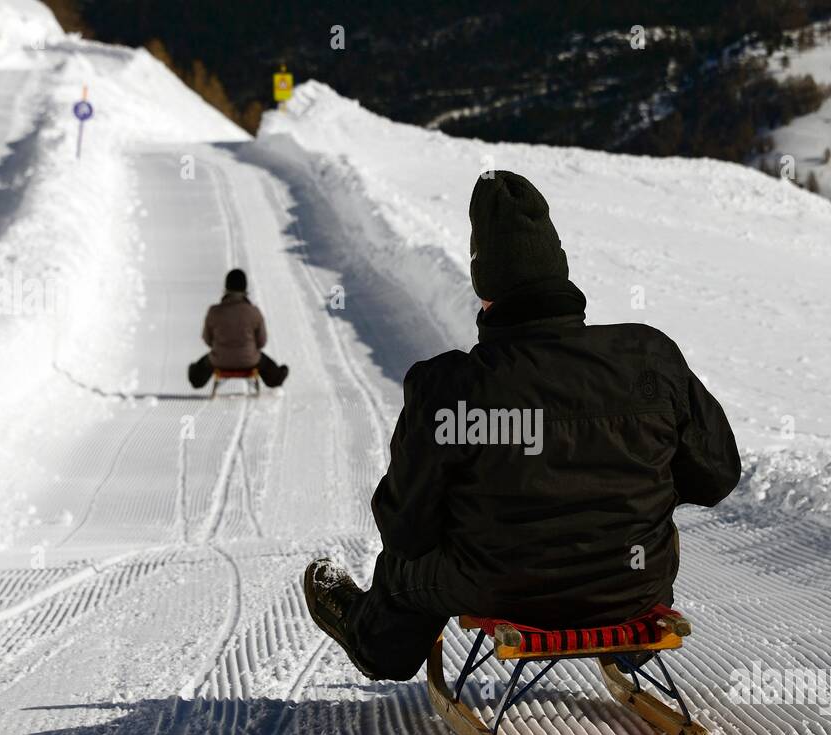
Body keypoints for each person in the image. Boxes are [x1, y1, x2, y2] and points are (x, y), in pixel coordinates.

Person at [303, 171, 740, 680]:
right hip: (634, 583)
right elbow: (718, 475)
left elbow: (405, 530)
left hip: (502, 589)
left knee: (402, 571)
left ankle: (379, 645)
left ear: (485, 287)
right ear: (560, 273)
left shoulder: (448, 387)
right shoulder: (651, 356)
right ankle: (623, 637)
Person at [188, 269, 289, 390]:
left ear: (226, 287)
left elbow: (207, 339)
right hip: (249, 361)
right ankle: (277, 377)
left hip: (219, 360)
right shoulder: (254, 312)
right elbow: (262, 342)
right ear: (245, 288)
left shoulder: (214, 311)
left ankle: (195, 377)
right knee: (265, 363)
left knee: (202, 366)